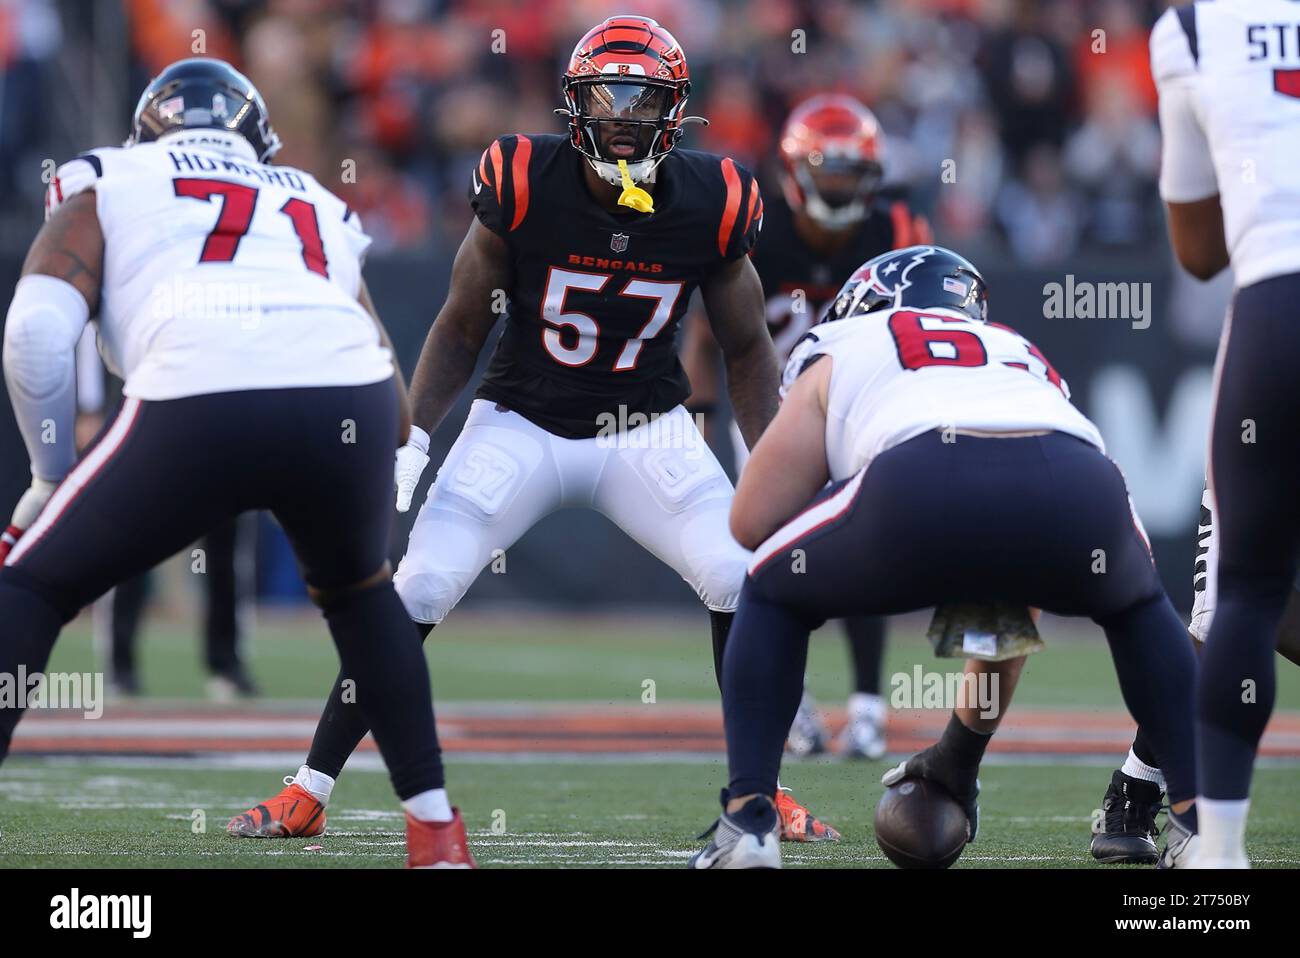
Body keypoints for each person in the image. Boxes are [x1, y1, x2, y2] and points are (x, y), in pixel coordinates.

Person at [231, 15, 838, 845]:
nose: (623, 112)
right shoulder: (522, 180)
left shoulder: (713, 200)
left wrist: (777, 470)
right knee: (417, 590)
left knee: (741, 576)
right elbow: (458, 326)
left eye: (643, 96)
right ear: (574, 101)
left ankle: (758, 793)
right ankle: (309, 787)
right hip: (519, 423)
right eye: (607, 93)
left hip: (645, 428)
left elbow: (746, 351)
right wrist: (414, 433)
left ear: (676, 110)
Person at [0, 57, 470, 867]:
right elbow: (391, 395)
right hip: (345, 397)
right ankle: (437, 834)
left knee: (34, 582)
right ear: (257, 139)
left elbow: (36, 334)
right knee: (362, 598)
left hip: (200, 389)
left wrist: (47, 475)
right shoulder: (312, 198)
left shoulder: (110, 175)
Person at [688, 245, 1199, 868]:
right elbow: (1010, 613)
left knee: (768, 581)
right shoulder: (1015, 350)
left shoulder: (848, 339)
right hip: (1081, 482)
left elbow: (751, 519)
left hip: (921, 476)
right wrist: (960, 755)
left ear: (866, 302)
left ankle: (749, 821)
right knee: (1138, 605)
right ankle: (1204, 829)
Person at [683, 94, 933, 760]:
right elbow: (708, 335)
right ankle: (788, 705)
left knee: (862, 548)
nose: (842, 185)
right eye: (830, 170)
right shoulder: (758, 225)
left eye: (853, 172)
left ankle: (868, 707)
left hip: (858, 406)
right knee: (764, 553)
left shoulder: (898, 228)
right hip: (770, 407)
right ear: (796, 171)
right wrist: (702, 418)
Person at [1147, 0, 1300, 868]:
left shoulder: (1194, 25)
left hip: (1279, 299)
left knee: (1244, 592)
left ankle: (1222, 852)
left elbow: (1198, 248)